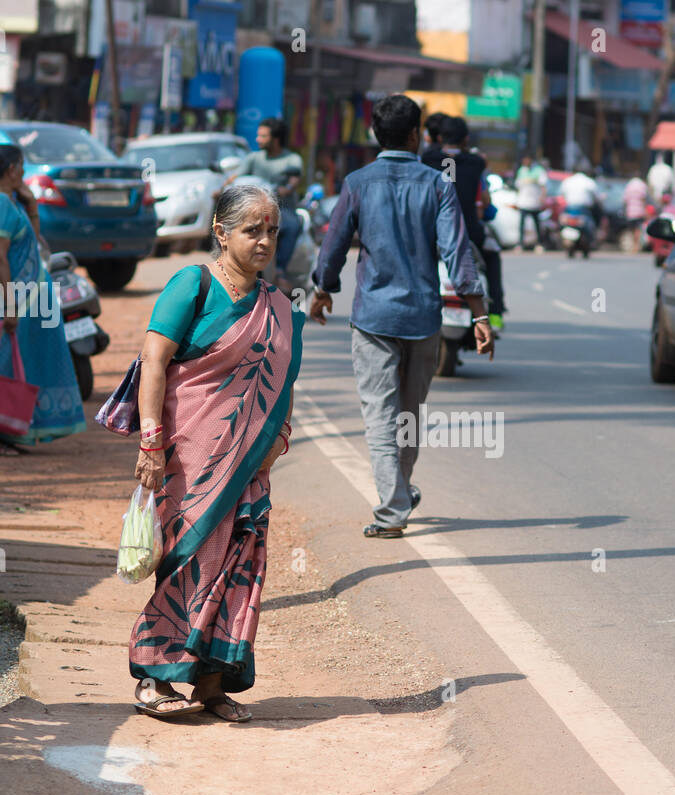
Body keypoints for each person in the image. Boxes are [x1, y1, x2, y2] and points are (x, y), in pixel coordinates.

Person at [129, 183, 305, 719]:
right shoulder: (193, 284)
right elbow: (154, 362)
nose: (264, 241)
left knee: (237, 564)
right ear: (221, 233)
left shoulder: (277, 305)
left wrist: (279, 438)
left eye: (272, 231)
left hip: (252, 461)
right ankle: (157, 678)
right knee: (188, 561)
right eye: (253, 230)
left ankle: (210, 685)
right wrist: (151, 441)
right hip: (189, 458)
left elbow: (282, 381)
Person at [310, 94, 492, 538]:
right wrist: (479, 314)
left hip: (374, 316)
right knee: (408, 414)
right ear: (415, 135)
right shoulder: (437, 185)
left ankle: (394, 507)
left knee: (380, 416)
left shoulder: (357, 182)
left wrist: (322, 288)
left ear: (376, 134)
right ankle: (398, 496)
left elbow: (334, 243)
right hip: (422, 318)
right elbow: (457, 251)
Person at [0, 144, 85, 455]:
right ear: (12, 169)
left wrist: (31, 206)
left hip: (11, 293)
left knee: (11, 359)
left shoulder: (4, 200)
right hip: (0, 295)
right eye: (22, 167)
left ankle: (6, 429)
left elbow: (33, 241)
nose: (24, 174)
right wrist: (10, 304)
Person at [422, 116, 506, 326]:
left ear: (440, 137)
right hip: (469, 233)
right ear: (466, 139)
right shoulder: (477, 162)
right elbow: (483, 199)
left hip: (433, 234)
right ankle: (496, 313)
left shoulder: (428, 159)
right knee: (493, 258)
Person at [223, 117, 302, 275]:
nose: (257, 139)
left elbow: (294, 180)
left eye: (263, 136)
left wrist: (286, 189)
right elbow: (235, 177)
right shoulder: (254, 158)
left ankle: (280, 269)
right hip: (252, 209)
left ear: (276, 139)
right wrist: (224, 188)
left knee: (292, 225)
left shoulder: (292, 159)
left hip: (281, 209)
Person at [515, 154, 546, 251]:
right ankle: (520, 244)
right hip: (523, 202)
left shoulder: (538, 170)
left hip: (535, 202)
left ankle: (539, 244)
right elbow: (518, 186)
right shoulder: (521, 170)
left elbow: (543, 186)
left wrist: (542, 198)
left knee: (537, 224)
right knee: (522, 225)